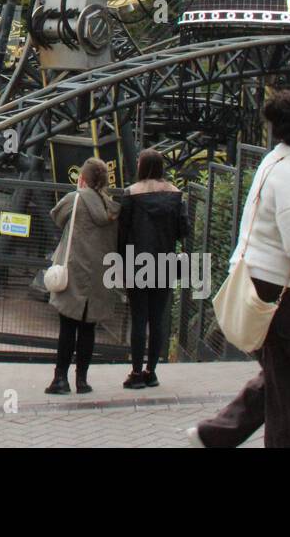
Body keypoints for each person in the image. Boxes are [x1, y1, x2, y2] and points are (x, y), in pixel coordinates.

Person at [188, 90, 290, 448]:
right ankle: (217, 435)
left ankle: (214, 435)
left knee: (281, 378)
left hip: (271, 289)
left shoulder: (281, 164)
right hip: (286, 299)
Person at [45, 158, 120, 395]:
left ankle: (60, 379)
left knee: (67, 326)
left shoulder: (74, 198)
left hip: (74, 270)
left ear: (83, 177)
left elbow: (57, 218)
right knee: (88, 328)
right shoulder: (112, 208)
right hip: (99, 275)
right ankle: (82, 381)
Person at [117, 149, 187, 389]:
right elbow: (183, 231)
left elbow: (122, 233)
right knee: (157, 319)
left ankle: (135, 373)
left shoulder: (131, 194)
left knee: (139, 318)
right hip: (165, 262)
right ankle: (151, 371)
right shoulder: (176, 195)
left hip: (137, 262)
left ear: (141, 166)